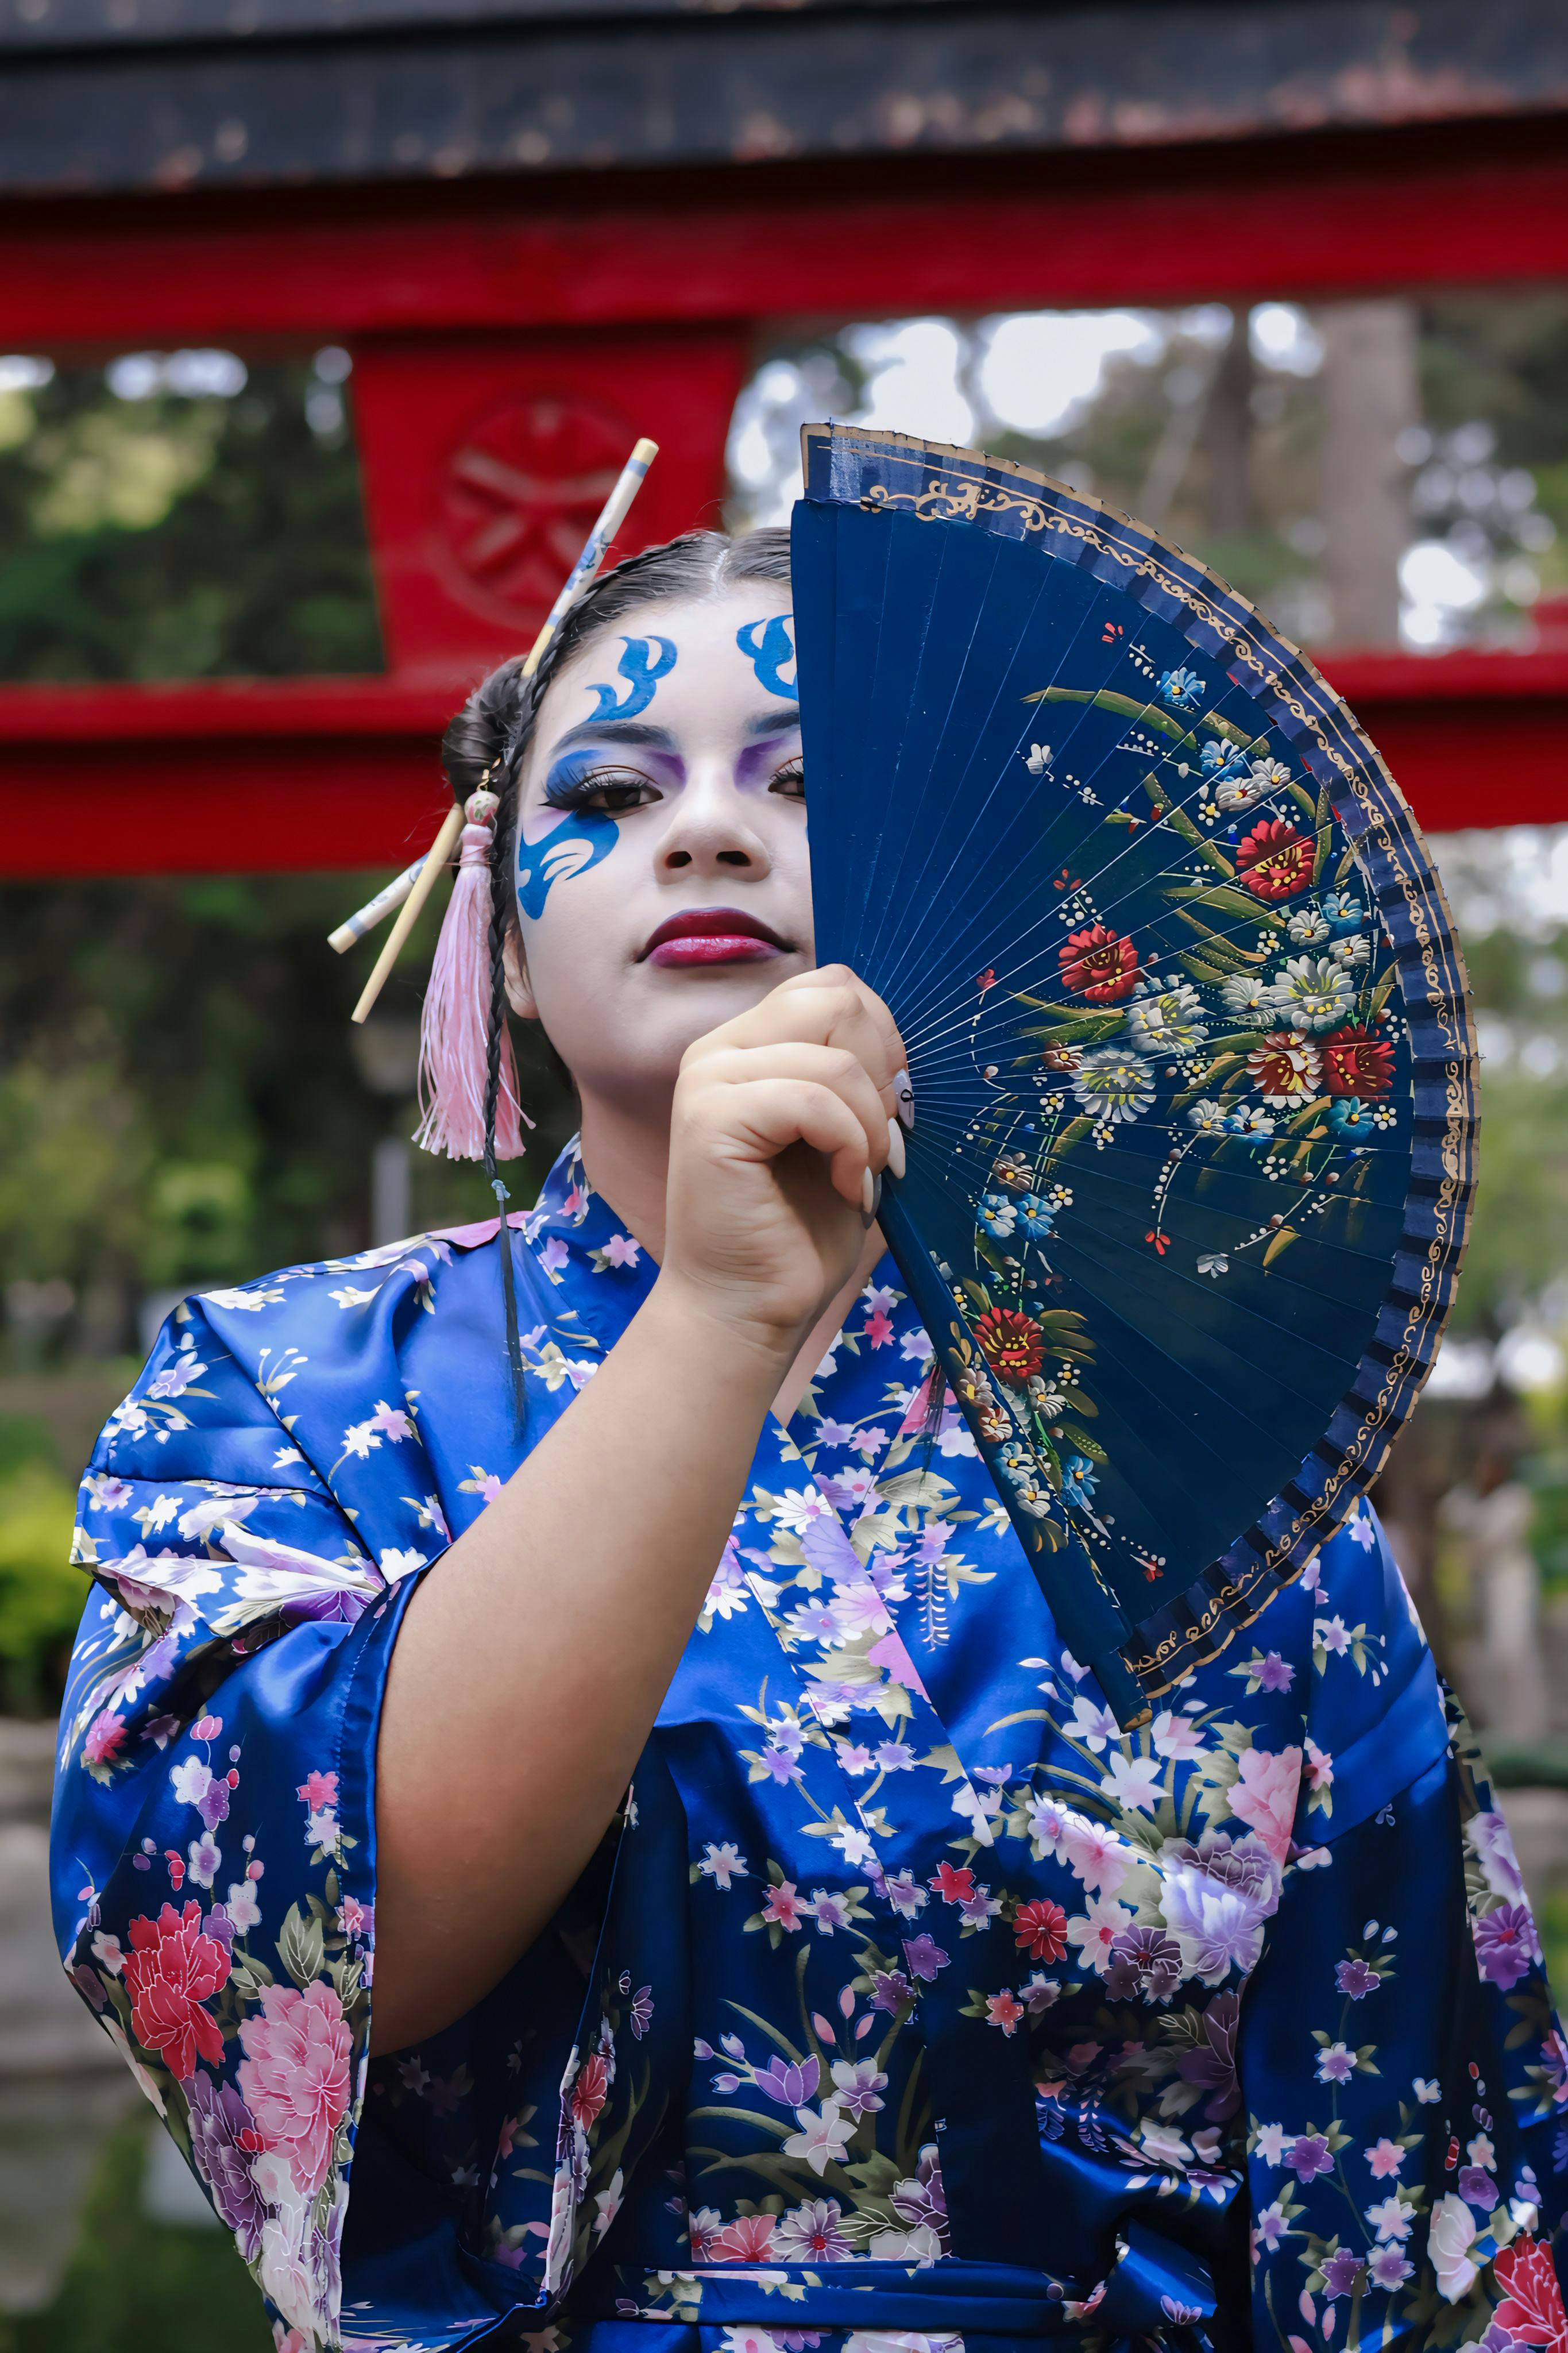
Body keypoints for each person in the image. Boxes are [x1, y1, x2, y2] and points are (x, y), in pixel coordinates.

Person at [52, 530, 1567, 2353]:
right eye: (611, 789)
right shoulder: (280, 1389)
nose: (706, 831)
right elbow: (308, 1951)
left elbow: (1419, 2176)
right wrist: (713, 1320)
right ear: (505, 945)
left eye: (809, 780)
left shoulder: (1203, 1453)